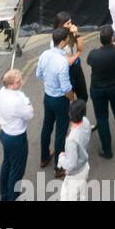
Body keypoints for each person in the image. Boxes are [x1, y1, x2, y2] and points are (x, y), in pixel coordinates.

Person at [86, 25, 115, 159]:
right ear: (112, 38)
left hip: (98, 90)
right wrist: (114, 43)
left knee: (102, 119)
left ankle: (107, 150)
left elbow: (88, 61)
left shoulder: (93, 55)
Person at [36, 25, 76, 174]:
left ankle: (44, 157)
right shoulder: (62, 61)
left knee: (47, 126)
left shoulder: (44, 54)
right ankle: (59, 167)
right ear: (64, 41)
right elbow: (66, 88)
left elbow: (38, 74)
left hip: (48, 96)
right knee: (61, 131)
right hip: (60, 100)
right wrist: (73, 99)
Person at [0, 70, 33, 202]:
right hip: (17, 138)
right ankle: (13, 197)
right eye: (18, 81)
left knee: (6, 163)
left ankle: (4, 196)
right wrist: (27, 101)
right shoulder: (17, 101)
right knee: (17, 171)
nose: (21, 82)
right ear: (11, 85)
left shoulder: (1, 92)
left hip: (5, 134)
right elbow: (30, 114)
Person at [57, 99, 92, 201]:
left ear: (69, 114)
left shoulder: (72, 139)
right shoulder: (85, 122)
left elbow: (71, 164)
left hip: (75, 174)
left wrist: (61, 157)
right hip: (84, 166)